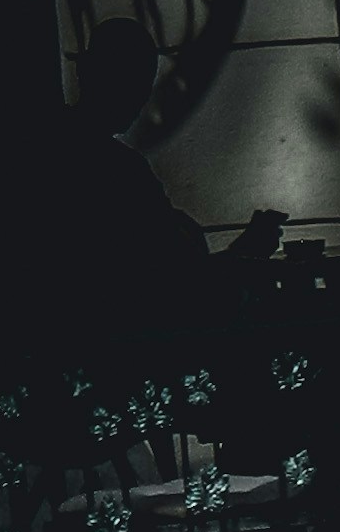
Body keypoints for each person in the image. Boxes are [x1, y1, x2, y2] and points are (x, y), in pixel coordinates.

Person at [37, 20, 212, 333]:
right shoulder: (122, 171)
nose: (140, 100)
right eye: (133, 85)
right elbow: (172, 261)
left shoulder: (43, 146)